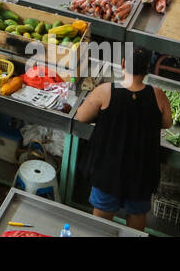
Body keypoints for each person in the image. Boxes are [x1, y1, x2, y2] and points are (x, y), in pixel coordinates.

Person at [74, 45, 173, 231]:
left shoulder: (105, 91)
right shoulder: (158, 95)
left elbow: (81, 117)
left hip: (108, 171)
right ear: (147, 69)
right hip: (141, 172)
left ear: (122, 64)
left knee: (101, 225)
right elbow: (167, 122)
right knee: (137, 216)